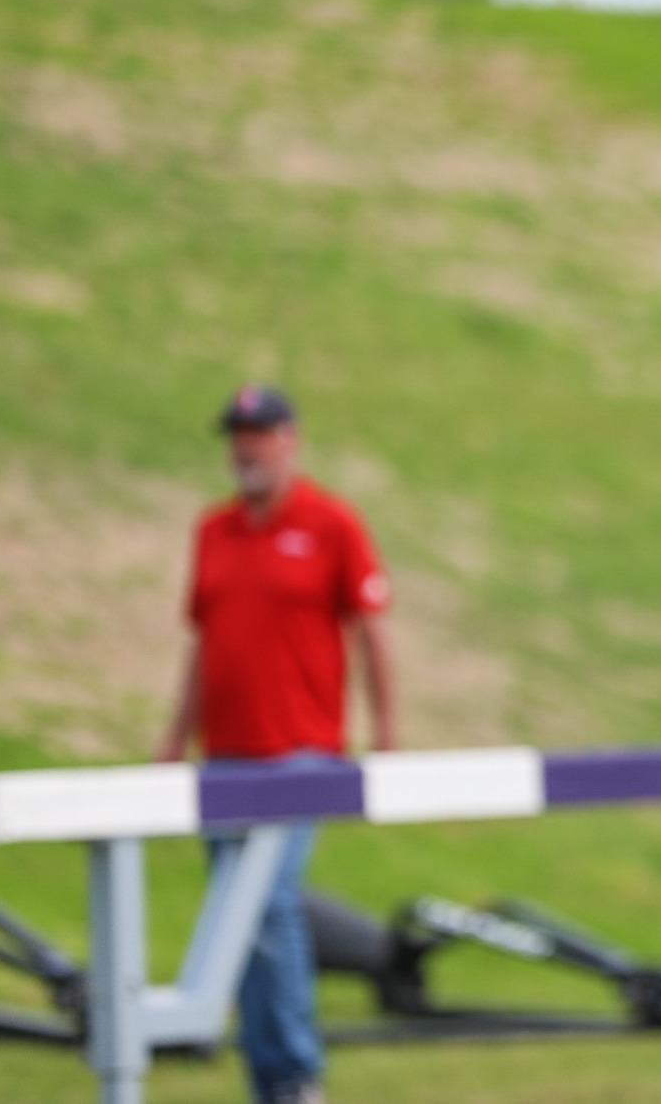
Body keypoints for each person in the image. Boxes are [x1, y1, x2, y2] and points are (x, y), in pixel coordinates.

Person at [156, 385, 397, 1104]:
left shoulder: (331, 523)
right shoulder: (214, 529)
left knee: (267, 901)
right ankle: (268, 1076)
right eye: (236, 433)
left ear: (289, 438)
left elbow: (372, 630)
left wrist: (385, 734)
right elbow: (204, 643)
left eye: (258, 433)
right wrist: (174, 740)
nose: (245, 447)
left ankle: (294, 1072)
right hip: (225, 755)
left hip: (300, 752)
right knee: (236, 913)